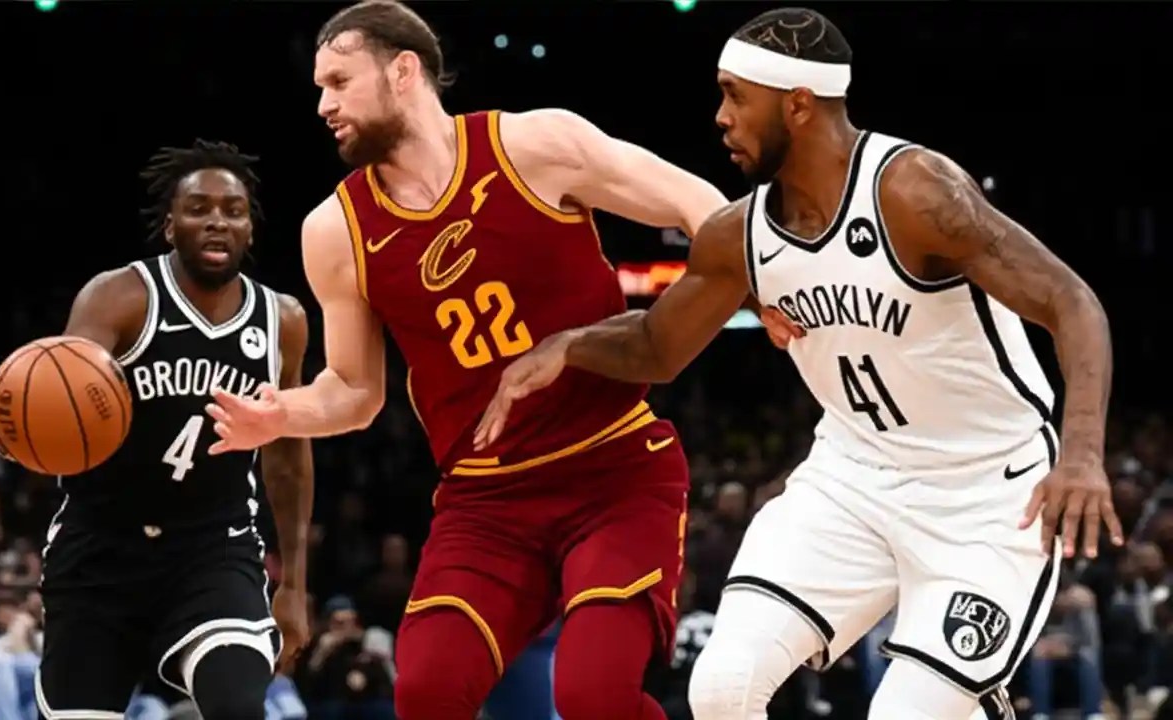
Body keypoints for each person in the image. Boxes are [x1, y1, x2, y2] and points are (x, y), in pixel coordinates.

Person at [477, 7, 1122, 720]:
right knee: (721, 689)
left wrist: (1082, 454)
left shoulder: (913, 191)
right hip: (852, 477)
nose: (721, 117)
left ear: (798, 104)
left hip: (987, 491)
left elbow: (1071, 302)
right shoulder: (738, 236)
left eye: (735, 96)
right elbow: (657, 345)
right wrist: (569, 344)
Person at [202, 2, 797, 718]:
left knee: (594, 695)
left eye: (339, 82)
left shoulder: (534, 145)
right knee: (425, 692)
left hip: (612, 469)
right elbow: (355, 392)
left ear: (403, 71)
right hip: (487, 500)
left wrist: (762, 284)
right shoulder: (334, 230)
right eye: (320, 88)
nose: (324, 105)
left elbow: (693, 202)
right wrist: (281, 414)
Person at [0, 140, 314, 720]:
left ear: (251, 229)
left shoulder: (283, 321)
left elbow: (287, 456)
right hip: (101, 549)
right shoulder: (119, 297)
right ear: (169, 226)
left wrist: (295, 584)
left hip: (213, 549)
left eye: (233, 210)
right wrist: (16, 423)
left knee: (238, 707)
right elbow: (59, 395)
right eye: (198, 208)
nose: (217, 221)